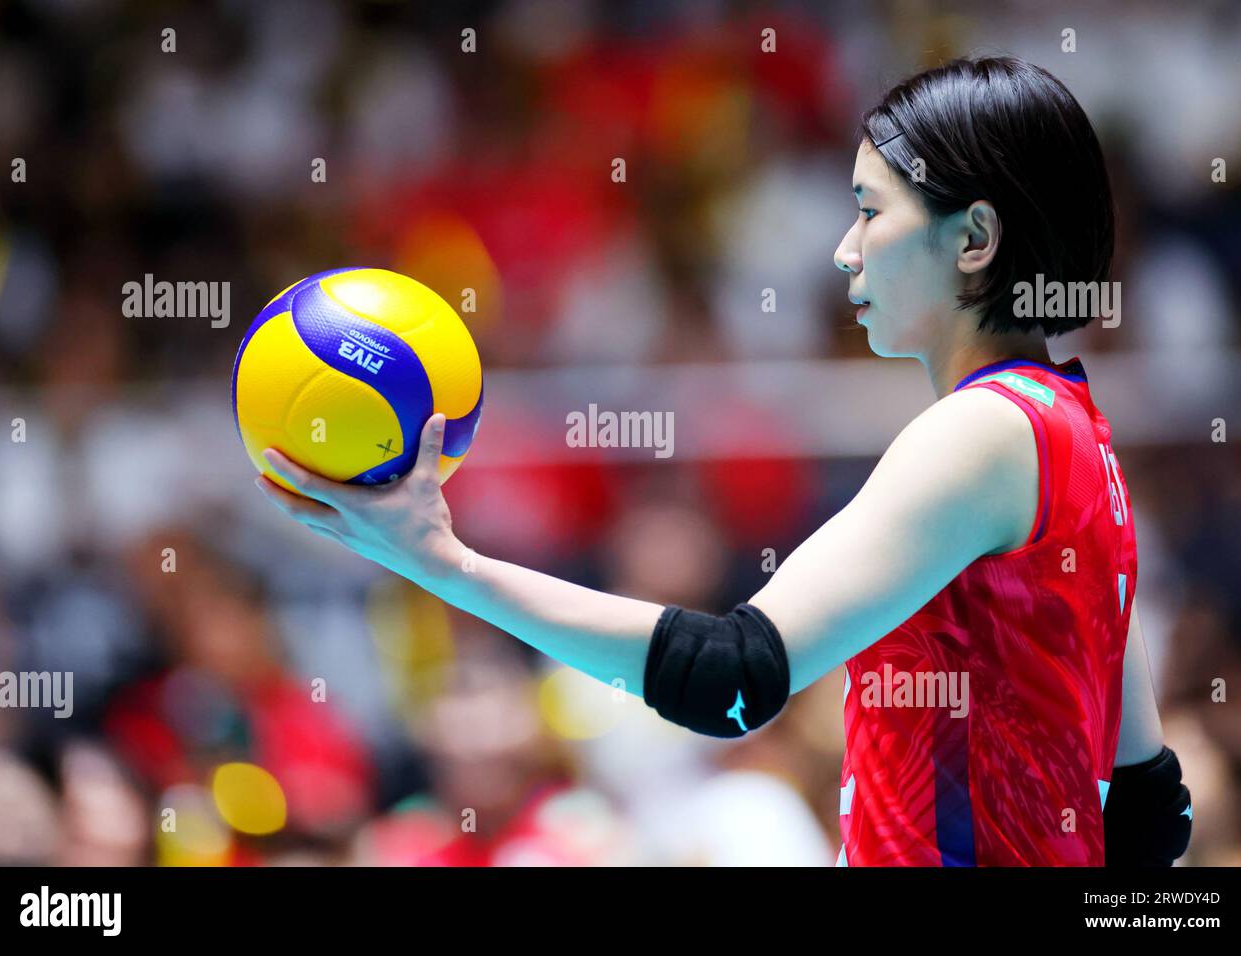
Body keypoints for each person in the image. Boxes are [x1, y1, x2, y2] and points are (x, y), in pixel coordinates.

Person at [253, 57, 1190, 867]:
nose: (843, 250)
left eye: (870, 212)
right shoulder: (1076, 433)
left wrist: (442, 563)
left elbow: (734, 677)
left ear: (975, 241)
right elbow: (1152, 808)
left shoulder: (981, 434)